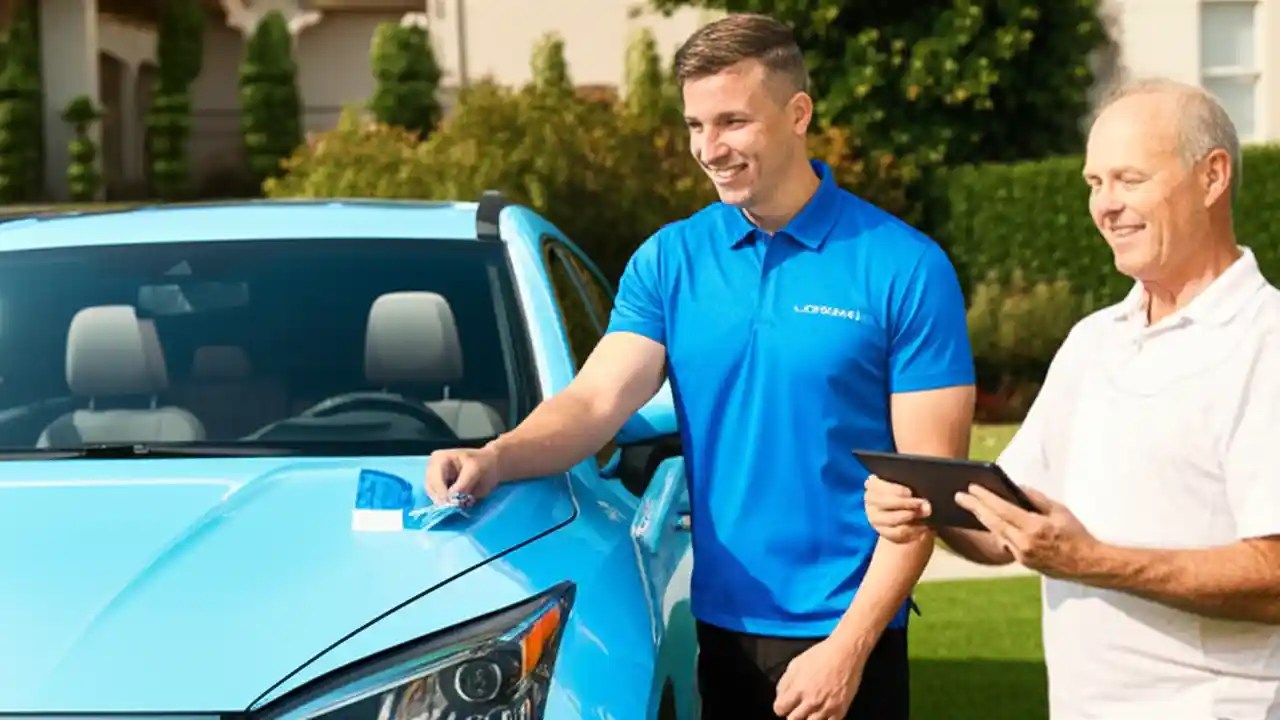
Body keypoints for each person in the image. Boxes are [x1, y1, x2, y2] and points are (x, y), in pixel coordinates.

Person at [426, 13, 975, 720]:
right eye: (695, 125)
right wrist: (494, 458)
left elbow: (928, 485)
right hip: (724, 632)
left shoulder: (905, 267)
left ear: (798, 113)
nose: (709, 149)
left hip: (848, 633)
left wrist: (849, 647)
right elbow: (593, 404)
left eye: (732, 122)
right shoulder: (670, 261)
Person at [865, 77, 1280, 720]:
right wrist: (929, 508)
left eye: (1129, 179)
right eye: (1094, 183)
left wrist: (1093, 561)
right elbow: (1008, 533)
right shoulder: (1095, 341)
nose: (1105, 206)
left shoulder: (1265, 342)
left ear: (1213, 176)